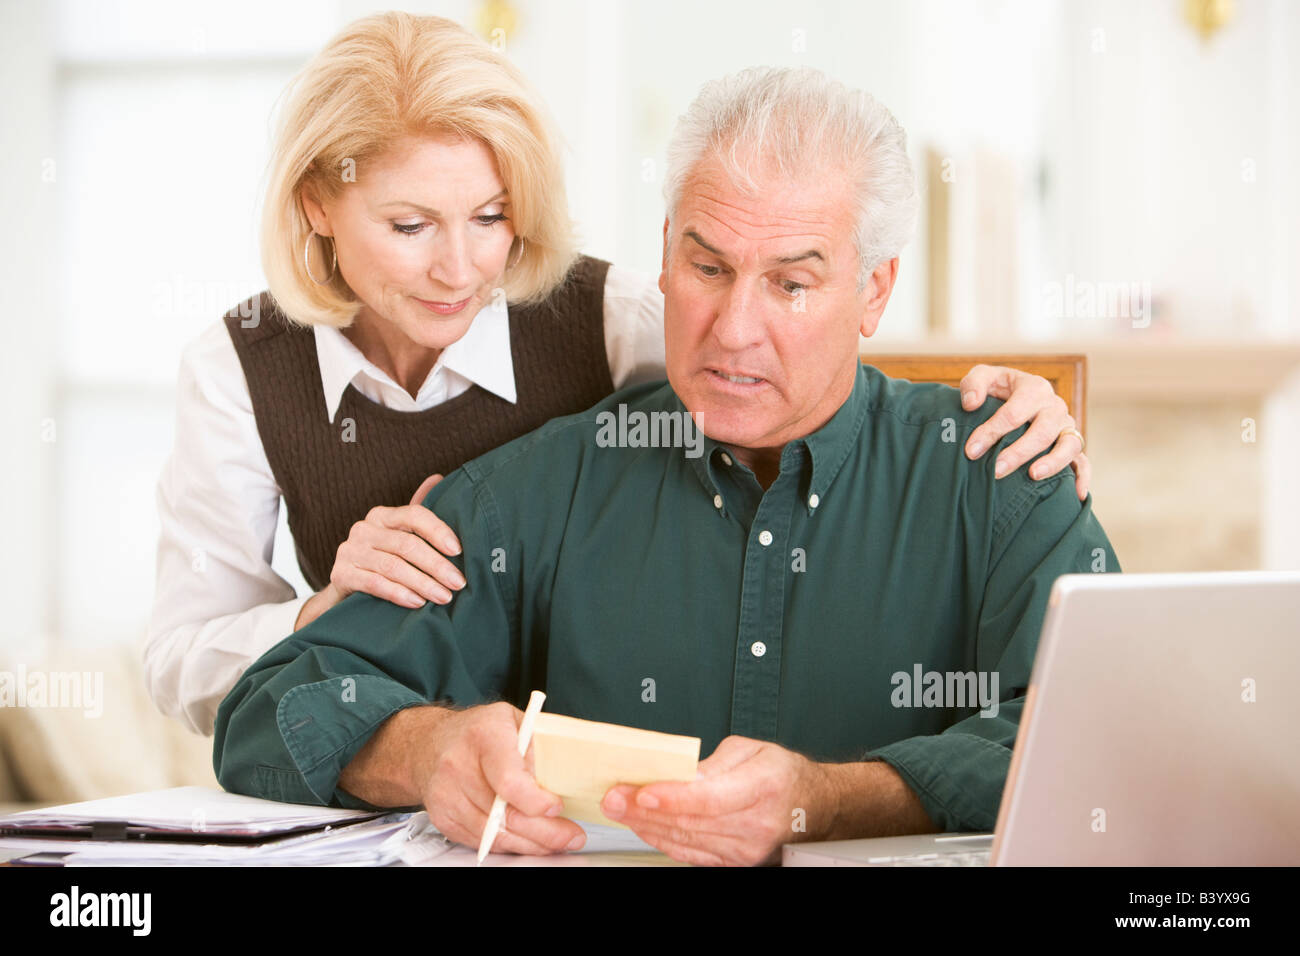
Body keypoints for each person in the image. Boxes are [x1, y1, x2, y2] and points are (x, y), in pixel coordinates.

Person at [213, 65, 1120, 866]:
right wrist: (427, 752)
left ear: (873, 289)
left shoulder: (1000, 471)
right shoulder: (547, 485)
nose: (733, 330)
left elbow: (1102, 736)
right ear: (665, 253)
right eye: (708, 266)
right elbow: (271, 709)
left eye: (792, 283)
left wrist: (833, 800)